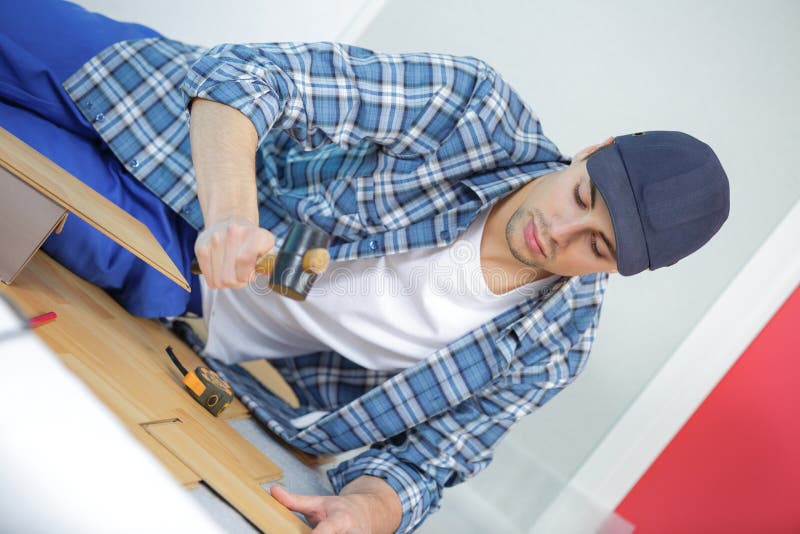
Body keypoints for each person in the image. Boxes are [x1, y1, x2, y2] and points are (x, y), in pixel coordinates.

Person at [0, 1, 729, 532]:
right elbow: (252, 82)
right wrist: (233, 213)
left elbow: (429, 463)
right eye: (581, 195)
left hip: (173, 265)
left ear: (619, 271)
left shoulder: (552, 348)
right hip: (149, 94)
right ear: (594, 148)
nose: (557, 232)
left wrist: (370, 509)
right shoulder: (471, 109)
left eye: (594, 245)